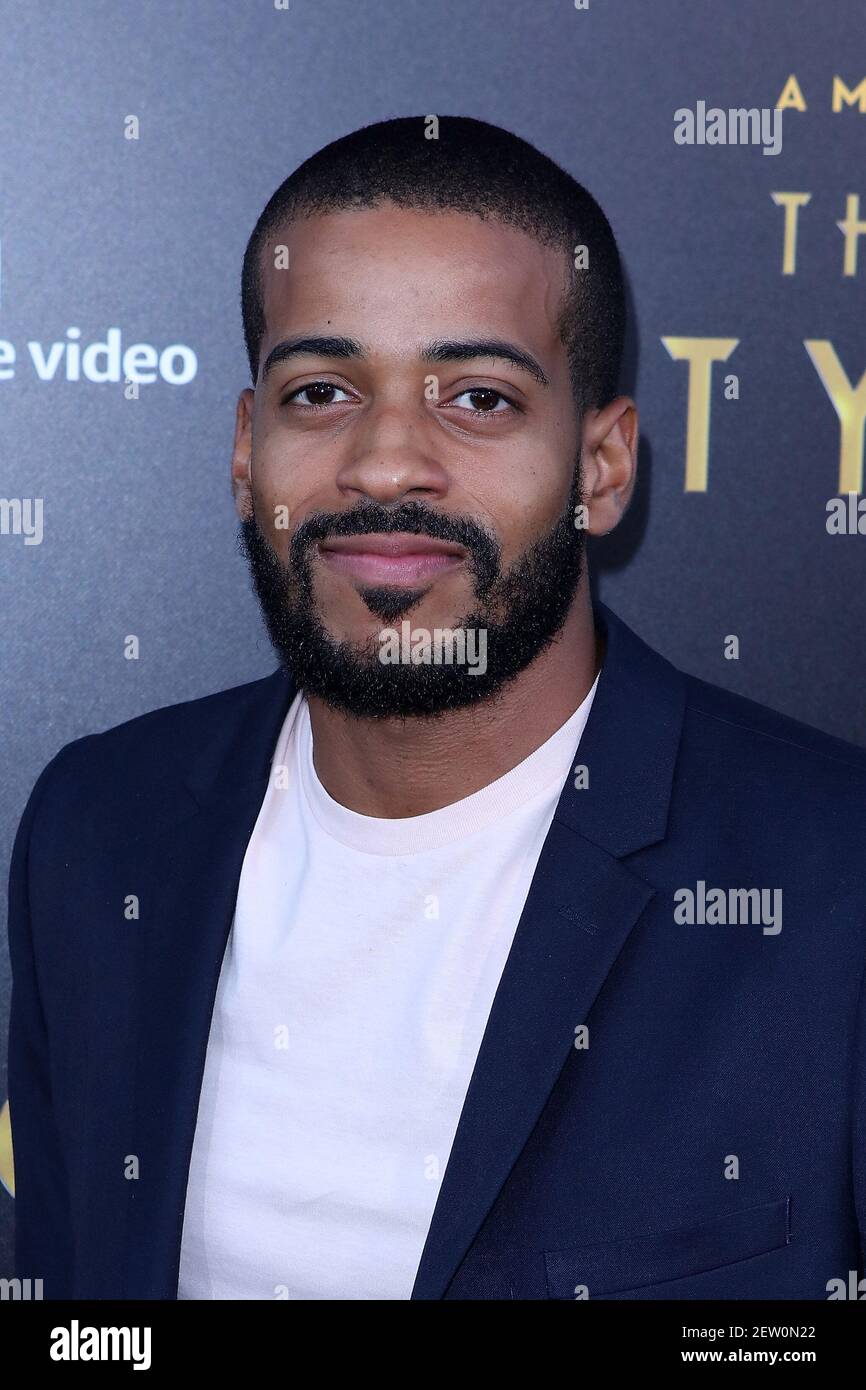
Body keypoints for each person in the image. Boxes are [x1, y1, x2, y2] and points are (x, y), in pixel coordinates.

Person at [8, 115, 866, 1301]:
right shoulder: (97, 827)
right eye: (321, 390)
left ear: (601, 467)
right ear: (247, 449)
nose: (384, 463)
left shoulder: (830, 880)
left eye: (476, 397)